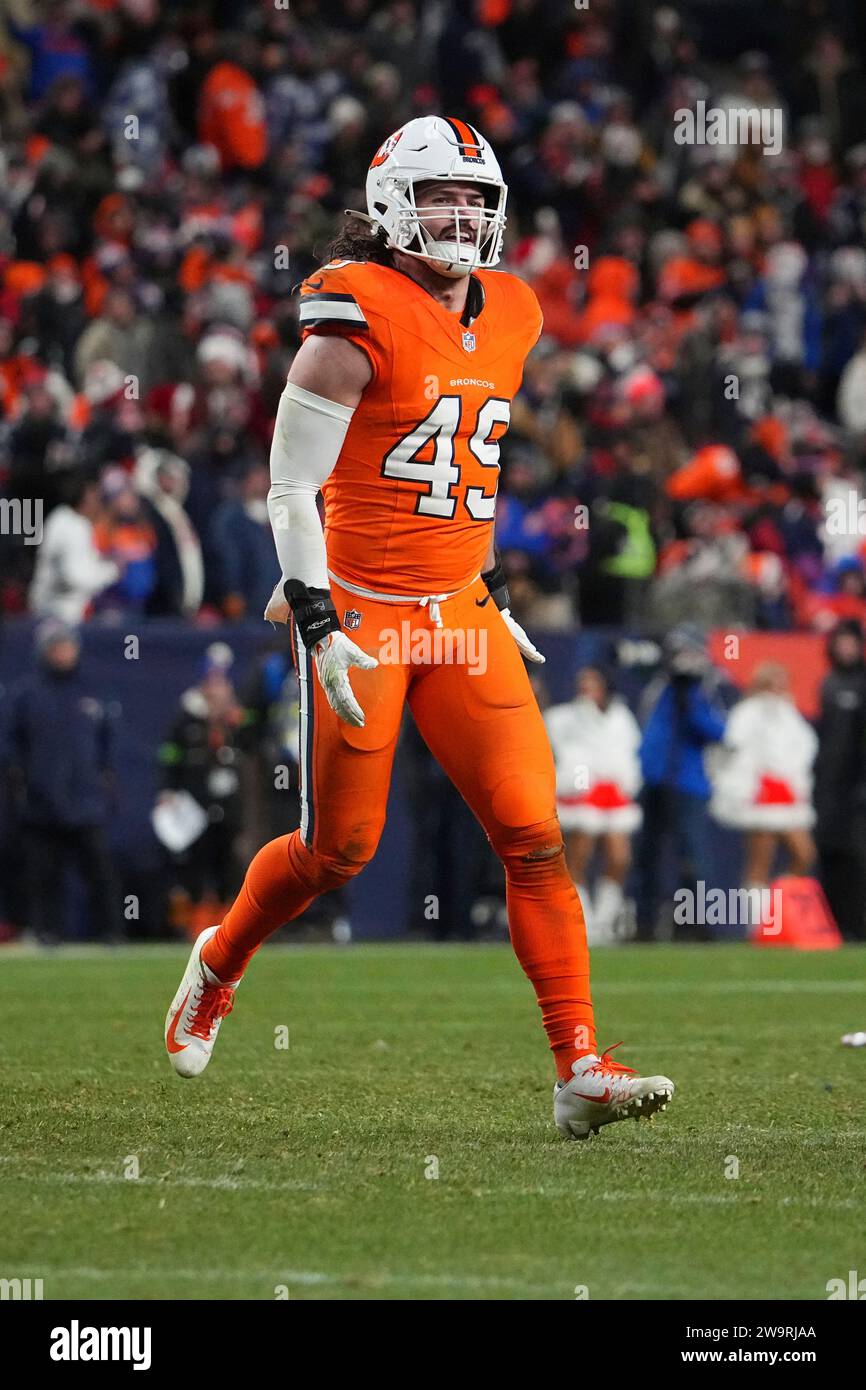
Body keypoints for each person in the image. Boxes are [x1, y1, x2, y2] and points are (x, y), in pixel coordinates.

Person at [164, 115, 673, 1140]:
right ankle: (219, 958)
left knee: (532, 830)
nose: (462, 215)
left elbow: (461, 472)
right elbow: (290, 488)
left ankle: (576, 1065)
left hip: (459, 612)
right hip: (360, 611)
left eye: (477, 199)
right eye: (442, 194)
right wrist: (313, 616)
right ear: (394, 201)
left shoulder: (516, 311)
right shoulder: (352, 314)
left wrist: (484, 586)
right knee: (338, 849)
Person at [1, 620, 121, 944]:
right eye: (57, 647)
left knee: (99, 869)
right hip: (40, 802)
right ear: (44, 652)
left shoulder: (91, 693)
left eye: (68, 646)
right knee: (43, 874)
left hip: (85, 800)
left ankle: (112, 931)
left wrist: (104, 783)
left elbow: (106, 746)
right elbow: (10, 747)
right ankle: (45, 931)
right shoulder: (25, 695)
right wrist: (24, 783)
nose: (64, 653)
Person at [637, 625, 728, 941]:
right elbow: (648, 727)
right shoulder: (659, 684)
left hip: (688, 783)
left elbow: (718, 730)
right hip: (656, 778)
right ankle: (645, 923)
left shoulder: (706, 687)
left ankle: (694, 923)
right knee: (646, 854)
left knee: (693, 855)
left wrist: (692, 697)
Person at [545, 667, 642, 945]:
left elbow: (629, 753)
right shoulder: (564, 717)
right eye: (582, 682)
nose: (586, 688)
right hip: (581, 796)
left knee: (620, 857)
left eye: (592, 682)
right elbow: (557, 752)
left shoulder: (621, 717)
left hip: (613, 796)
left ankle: (603, 922)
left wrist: (624, 781)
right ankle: (581, 921)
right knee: (578, 858)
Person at [710, 663, 817, 904]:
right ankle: (757, 922)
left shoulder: (790, 714)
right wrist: (750, 787)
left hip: (787, 795)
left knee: (804, 854)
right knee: (760, 861)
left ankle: (779, 909)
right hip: (760, 795)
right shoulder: (746, 714)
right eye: (771, 684)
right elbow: (737, 752)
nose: (776, 690)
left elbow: (802, 750)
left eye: (781, 683)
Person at [814, 618, 866, 939]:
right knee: (828, 854)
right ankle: (831, 925)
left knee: (857, 858)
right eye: (841, 641)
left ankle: (857, 925)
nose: (845, 648)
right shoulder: (829, 684)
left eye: (851, 641)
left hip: (857, 790)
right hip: (829, 790)